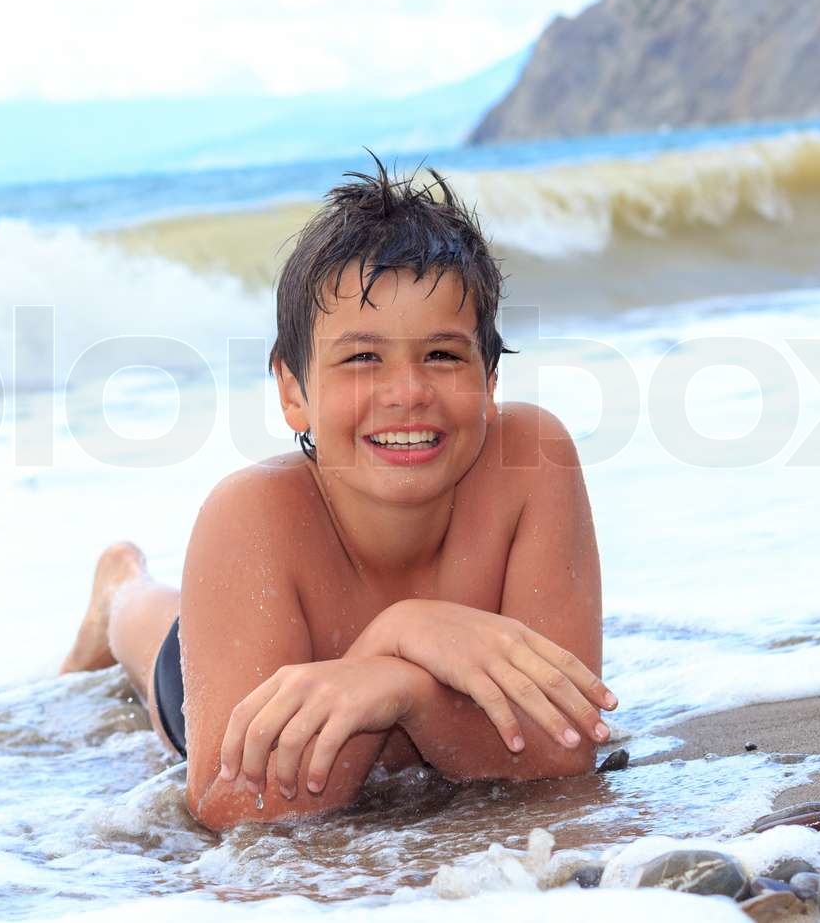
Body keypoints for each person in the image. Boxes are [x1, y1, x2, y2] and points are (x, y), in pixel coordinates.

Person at [59, 157, 616, 831]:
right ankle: (118, 586)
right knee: (152, 637)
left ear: (490, 381)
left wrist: (401, 687)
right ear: (294, 391)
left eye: (442, 355)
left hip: (317, 689)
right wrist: (398, 633)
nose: (408, 392)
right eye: (361, 358)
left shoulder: (533, 461)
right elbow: (235, 802)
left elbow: (566, 746)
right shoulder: (252, 515)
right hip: (234, 669)